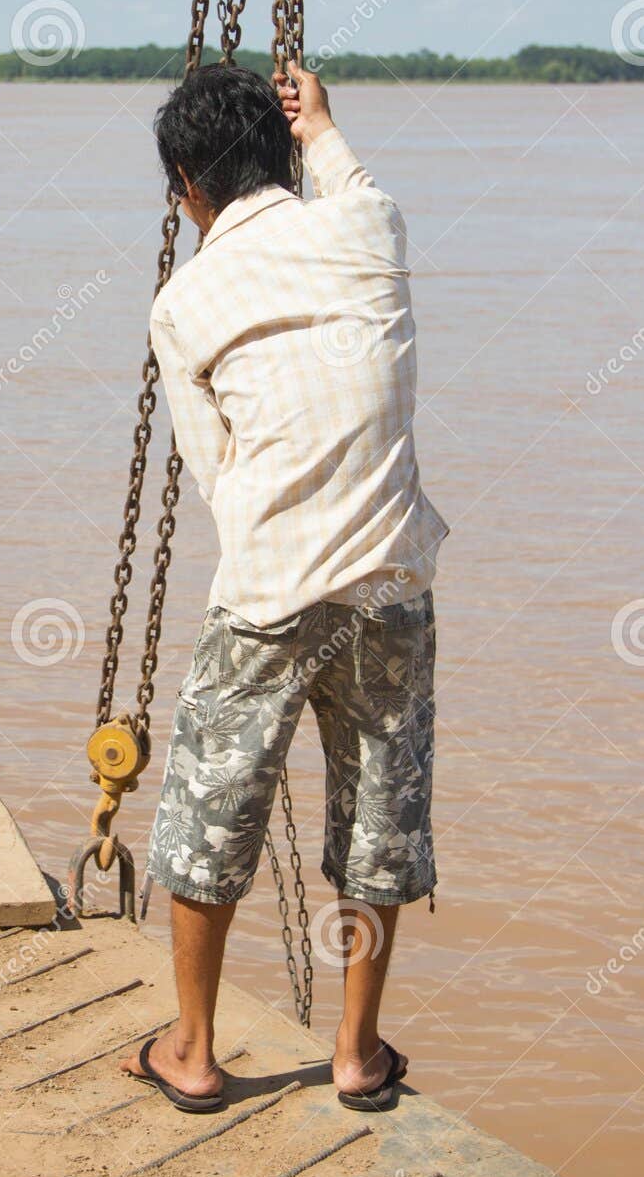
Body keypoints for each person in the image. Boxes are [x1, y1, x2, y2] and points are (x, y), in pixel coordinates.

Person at [121, 61, 447, 1114]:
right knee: (376, 820)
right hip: (388, 579)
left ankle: (194, 1049)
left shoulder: (185, 299)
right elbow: (352, 185)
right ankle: (356, 1055)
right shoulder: (370, 229)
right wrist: (323, 126)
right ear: (282, 151)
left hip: (266, 592)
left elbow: (212, 470)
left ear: (185, 186)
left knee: (211, 815)